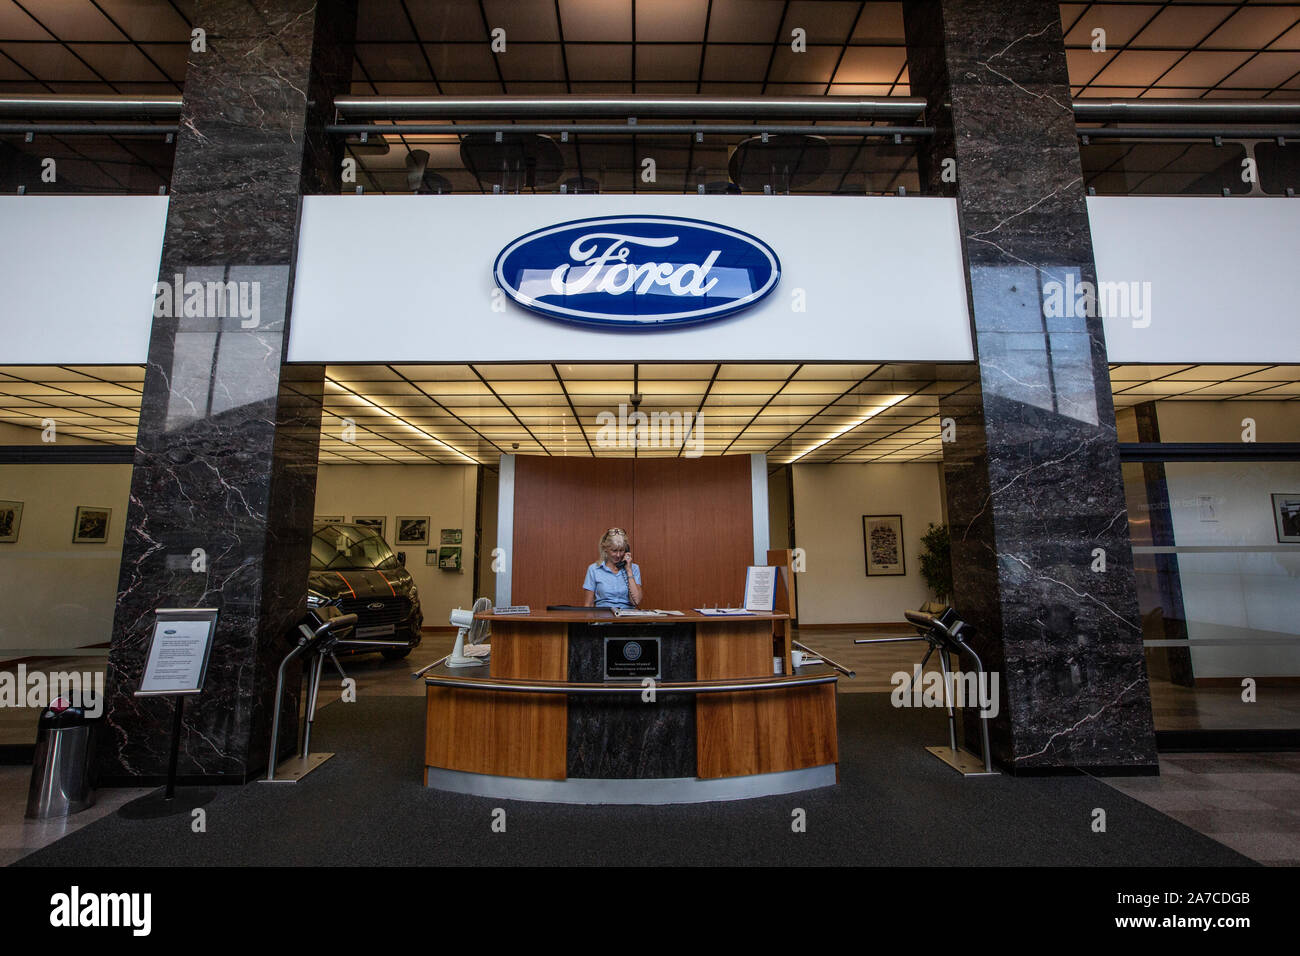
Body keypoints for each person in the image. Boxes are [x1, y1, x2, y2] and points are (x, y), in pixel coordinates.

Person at [582, 527, 643, 609]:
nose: (618, 555)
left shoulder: (634, 568)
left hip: (627, 618)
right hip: (603, 618)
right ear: (605, 549)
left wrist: (628, 570)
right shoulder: (594, 569)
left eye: (621, 550)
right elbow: (588, 605)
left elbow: (636, 601)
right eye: (614, 551)